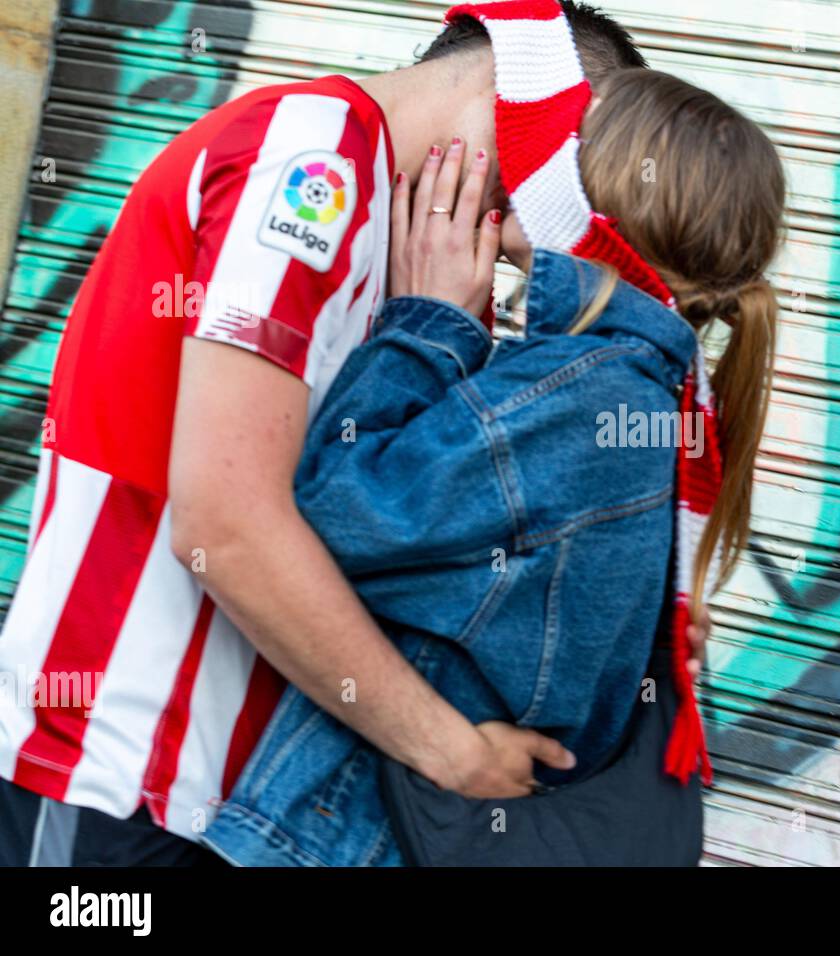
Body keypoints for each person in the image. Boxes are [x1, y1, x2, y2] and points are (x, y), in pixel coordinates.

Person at [0, 2, 664, 867]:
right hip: (117, 780)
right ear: (522, 90)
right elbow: (226, 527)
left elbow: (389, 533)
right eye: (568, 162)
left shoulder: (395, 229)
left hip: (226, 805)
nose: (549, 214)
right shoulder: (311, 155)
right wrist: (450, 750)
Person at [199, 1, 785, 866]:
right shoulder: (651, 394)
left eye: (565, 145)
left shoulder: (578, 394)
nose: (529, 150)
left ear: (600, 196)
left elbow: (333, 513)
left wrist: (427, 324)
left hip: (348, 835)